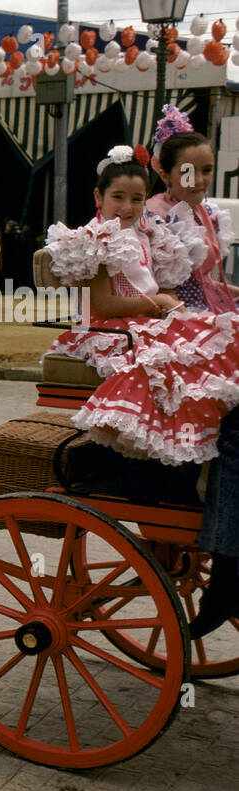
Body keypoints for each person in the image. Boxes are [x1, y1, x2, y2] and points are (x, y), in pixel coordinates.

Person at [43, 143, 239, 473]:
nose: (127, 207)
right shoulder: (96, 238)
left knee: (222, 332)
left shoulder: (146, 233)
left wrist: (168, 303)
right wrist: (156, 304)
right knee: (175, 361)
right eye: (118, 197)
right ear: (98, 196)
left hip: (147, 319)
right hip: (113, 327)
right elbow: (103, 304)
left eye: (136, 199)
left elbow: (160, 286)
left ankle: (211, 444)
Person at [144, 107, 239, 637]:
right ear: (164, 172)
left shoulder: (204, 215)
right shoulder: (153, 215)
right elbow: (149, 287)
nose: (199, 181)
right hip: (173, 328)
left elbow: (213, 285)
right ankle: (227, 558)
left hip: (207, 321)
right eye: (188, 171)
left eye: (206, 171)